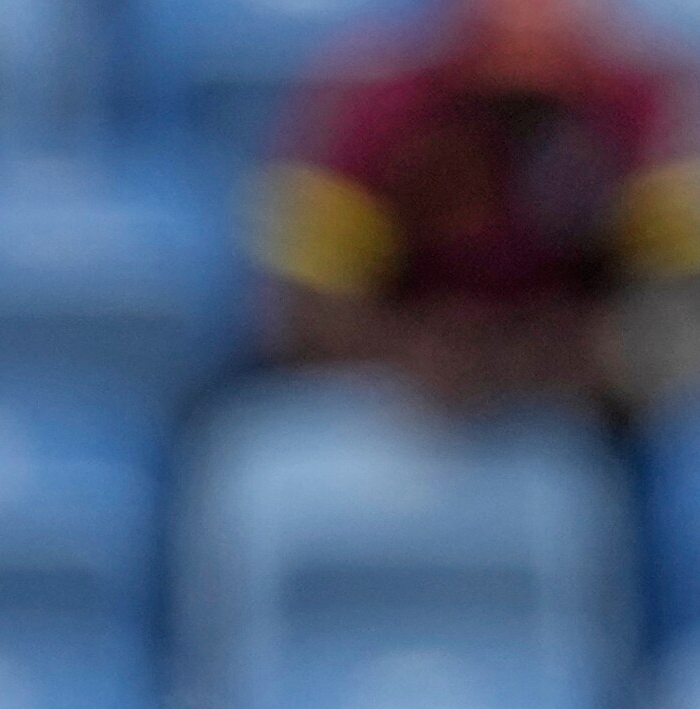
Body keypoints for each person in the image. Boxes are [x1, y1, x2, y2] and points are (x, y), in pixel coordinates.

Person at [258, 0, 700, 408]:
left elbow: (676, 312)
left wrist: (544, 356)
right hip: (400, 400)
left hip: (581, 412)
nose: (523, 13)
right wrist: (411, 350)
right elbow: (302, 312)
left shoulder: (644, 104)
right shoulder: (375, 98)